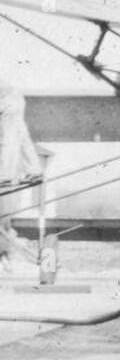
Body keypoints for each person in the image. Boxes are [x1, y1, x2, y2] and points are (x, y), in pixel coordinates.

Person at [0, 77, 42, 269]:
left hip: (7, 99)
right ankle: (34, 169)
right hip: (12, 98)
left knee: (10, 139)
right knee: (17, 134)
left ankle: (7, 174)